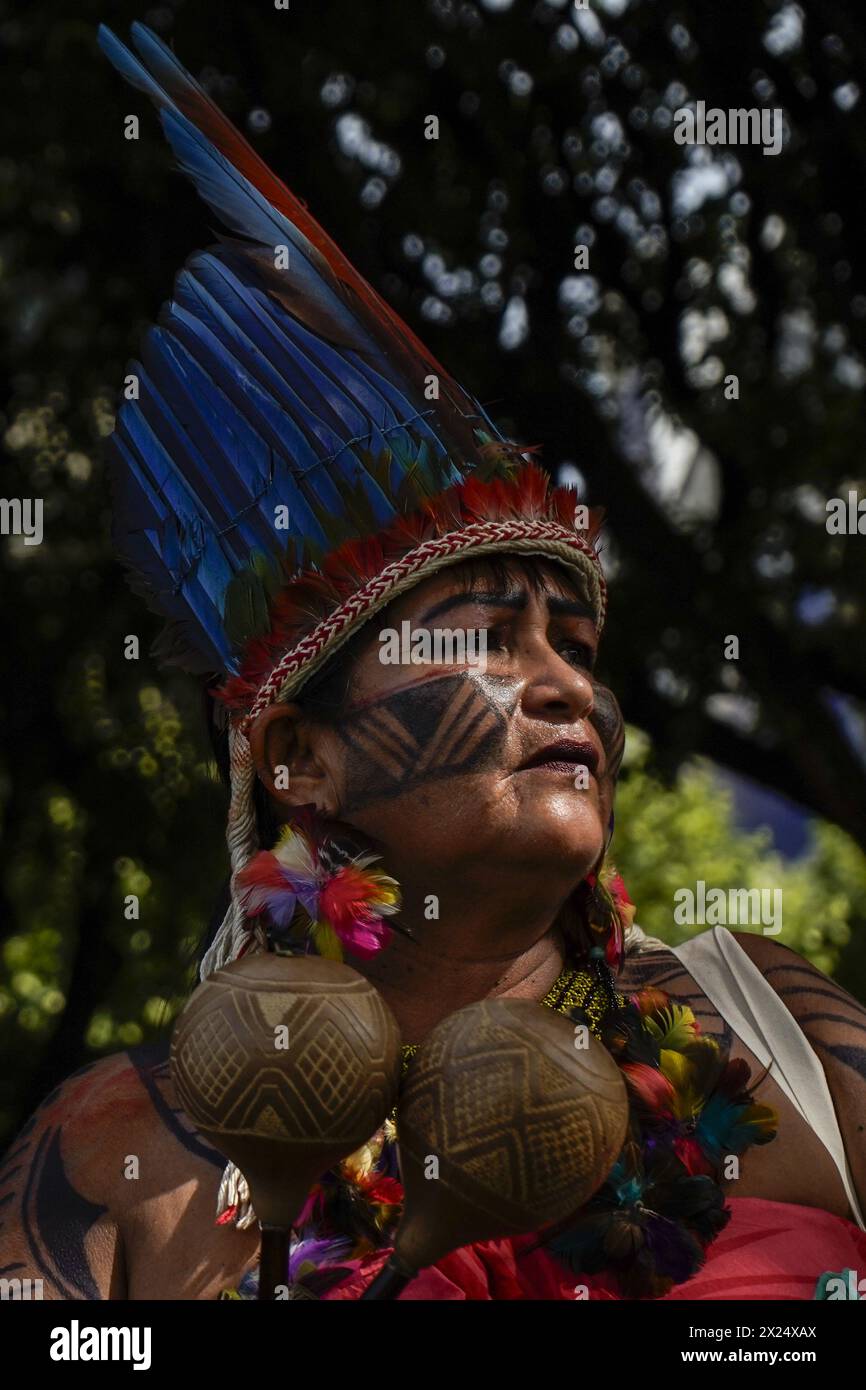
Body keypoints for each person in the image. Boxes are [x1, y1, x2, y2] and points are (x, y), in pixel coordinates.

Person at [1, 23, 865, 1302]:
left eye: (574, 646)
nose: (566, 684)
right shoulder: (128, 1144)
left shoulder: (781, 1036)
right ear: (299, 757)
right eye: (480, 641)